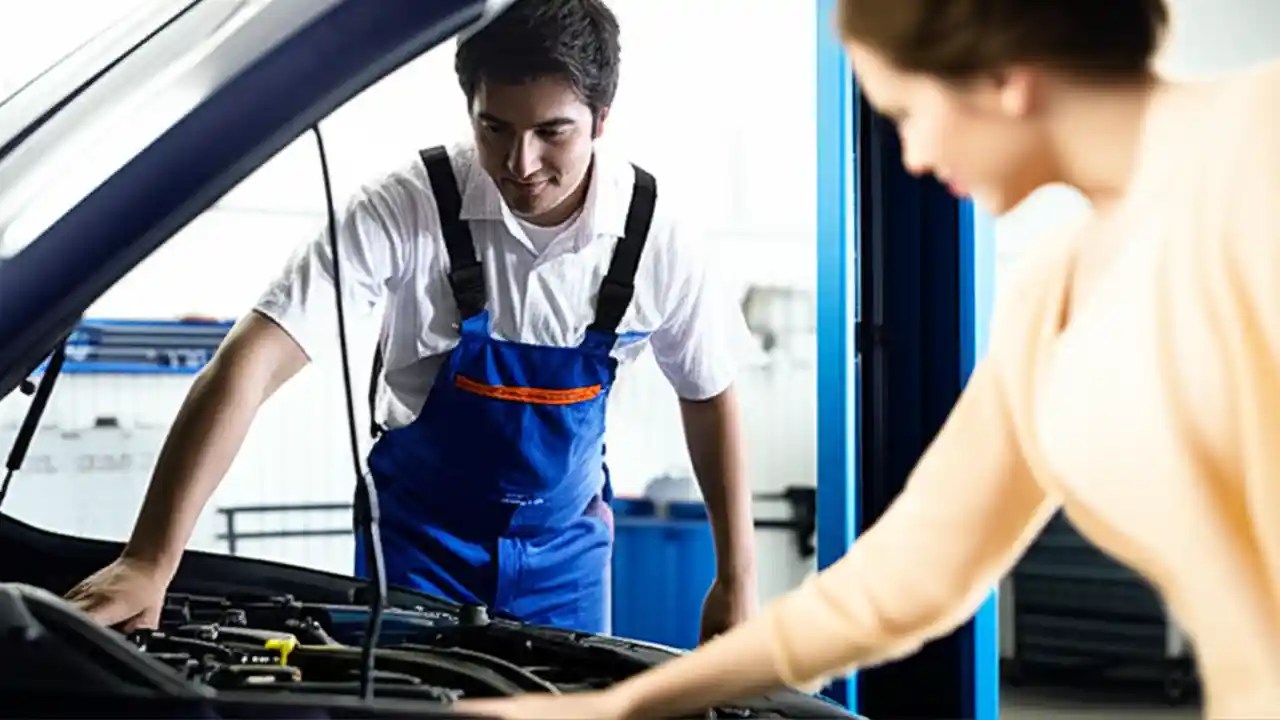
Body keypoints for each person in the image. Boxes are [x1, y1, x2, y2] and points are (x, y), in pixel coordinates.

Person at [456, 0, 1280, 717]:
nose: (914, 158)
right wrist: (628, 707)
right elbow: (907, 578)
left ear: (1005, 81)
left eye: (911, 115)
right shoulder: (1052, 302)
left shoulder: (1256, 158)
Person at [62, 0, 759, 641]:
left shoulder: (655, 236)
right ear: (469, 108)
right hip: (418, 552)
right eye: (495, 127)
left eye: (553, 132)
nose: (520, 163)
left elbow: (709, 393)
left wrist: (737, 581)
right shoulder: (402, 208)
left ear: (601, 120)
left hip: (566, 558)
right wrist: (151, 557)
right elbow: (251, 362)